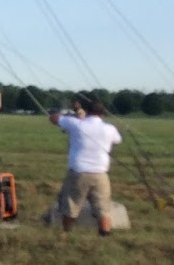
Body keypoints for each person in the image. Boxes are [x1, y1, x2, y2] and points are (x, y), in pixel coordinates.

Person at [49, 96, 121, 235]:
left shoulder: (75, 124)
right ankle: (105, 235)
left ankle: (67, 233)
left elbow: (54, 118)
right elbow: (117, 140)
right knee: (103, 209)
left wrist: (71, 115)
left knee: (71, 206)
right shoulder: (109, 128)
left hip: (78, 172)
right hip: (101, 174)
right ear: (102, 113)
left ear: (86, 111)